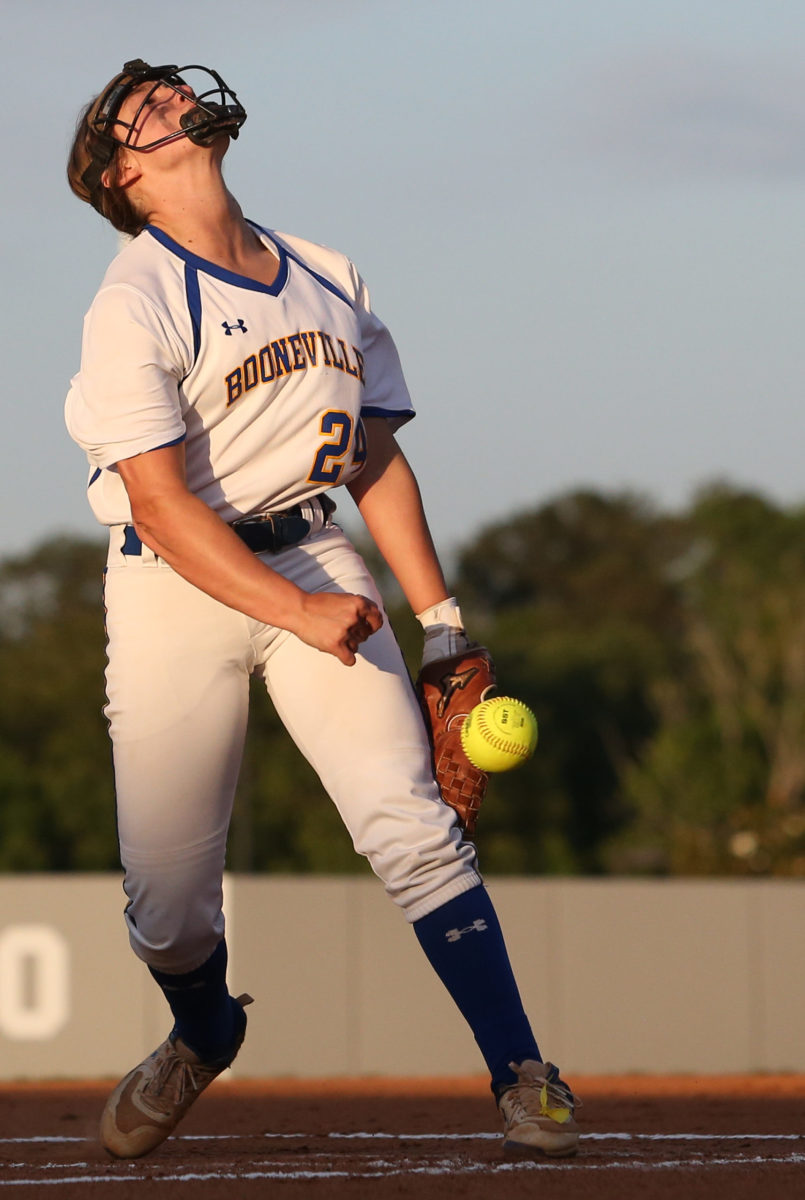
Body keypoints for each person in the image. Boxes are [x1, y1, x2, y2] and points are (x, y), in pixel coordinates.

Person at [65, 58, 580, 1162]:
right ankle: (203, 1030)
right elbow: (158, 503)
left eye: (164, 88)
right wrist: (286, 615)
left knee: (411, 823)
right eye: (136, 106)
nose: (164, 98)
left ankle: (520, 1069)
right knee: (168, 910)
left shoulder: (323, 269)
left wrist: (439, 620)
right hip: (174, 584)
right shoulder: (136, 301)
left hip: (314, 553)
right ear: (123, 174)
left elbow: (376, 459)